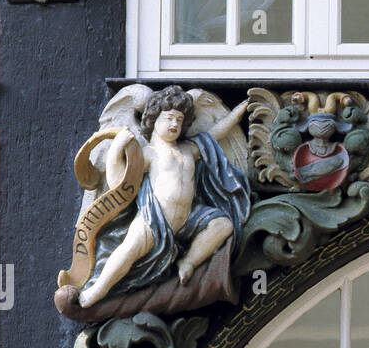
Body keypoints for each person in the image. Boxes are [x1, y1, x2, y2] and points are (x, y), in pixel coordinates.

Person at [78, 87, 250, 308]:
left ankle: (188, 261)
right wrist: (116, 150)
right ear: (153, 119)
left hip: (189, 218)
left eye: (179, 120)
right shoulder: (148, 153)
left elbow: (216, 133)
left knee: (222, 224)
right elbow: (118, 184)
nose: (175, 124)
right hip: (154, 219)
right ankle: (98, 289)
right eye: (169, 118)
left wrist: (237, 114)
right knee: (129, 249)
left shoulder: (189, 149)